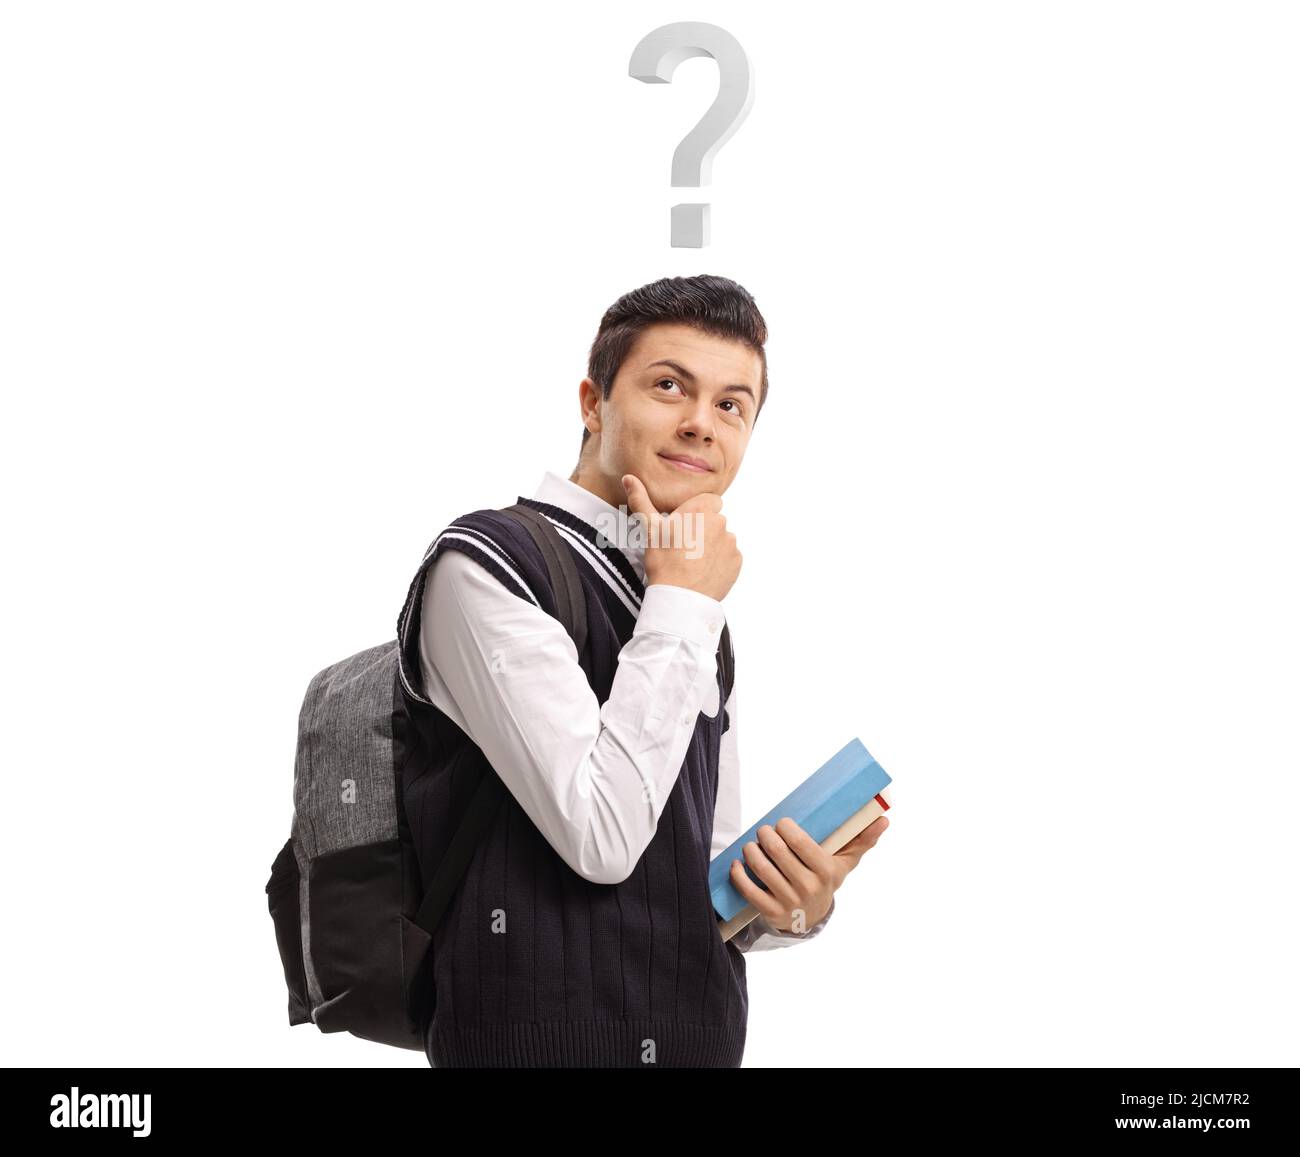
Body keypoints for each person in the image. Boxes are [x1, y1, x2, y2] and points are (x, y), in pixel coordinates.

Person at [401, 274, 889, 1067]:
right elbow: (602, 839)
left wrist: (797, 902)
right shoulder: (490, 564)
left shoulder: (684, 599)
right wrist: (682, 602)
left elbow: (697, 877)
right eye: (670, 386)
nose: (701, 423)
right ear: (593, 402)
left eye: (732, 404)